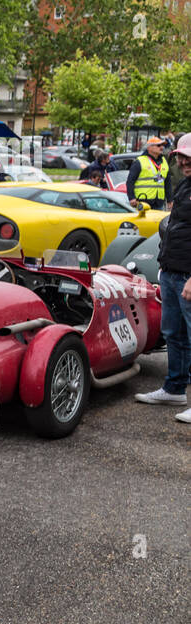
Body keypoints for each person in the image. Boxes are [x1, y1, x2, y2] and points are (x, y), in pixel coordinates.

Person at [135, 133, 191, 421]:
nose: (183, 161)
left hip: (188, 275)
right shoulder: (184, 187)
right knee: (174, 334)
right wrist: (164, 264)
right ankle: (174, 389)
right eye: (181, 156)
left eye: (188, 157)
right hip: (172, 271)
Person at [127, 136, 172, 210]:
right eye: (158, 145)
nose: (162, 147)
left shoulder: (164, 161)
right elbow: (130, 181)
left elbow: (168, 182)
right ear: (149, 148)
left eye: (162, 145)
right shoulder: (140, 161)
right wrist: (131, 198)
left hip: (159, 202)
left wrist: (170, 200)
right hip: (142, 202)